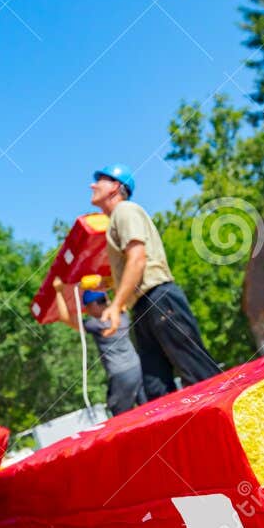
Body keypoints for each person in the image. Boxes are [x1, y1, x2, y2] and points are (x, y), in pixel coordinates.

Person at [89, 163, 222, 400]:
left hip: (159, 299)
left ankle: (232, 430)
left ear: (115, 187)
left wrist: (116, 304)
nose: (93, 185)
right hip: (144, 307)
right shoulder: (117, 219)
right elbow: (134, 263)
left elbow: (138, 260)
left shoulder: (125, 211)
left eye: (100, 180)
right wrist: (111, 282)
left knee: (199, 373)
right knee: (157, 390)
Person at [51, 279, 144, 416]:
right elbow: (119, 293)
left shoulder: (97, 324)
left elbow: (65, 318)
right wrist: (109, 284)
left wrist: (59, 291)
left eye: (87, 307)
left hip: (120, 374)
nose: (86, 311)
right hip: (138, 368)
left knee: (121, 418)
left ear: (92, 306)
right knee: (150, 408)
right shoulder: (122, 315)